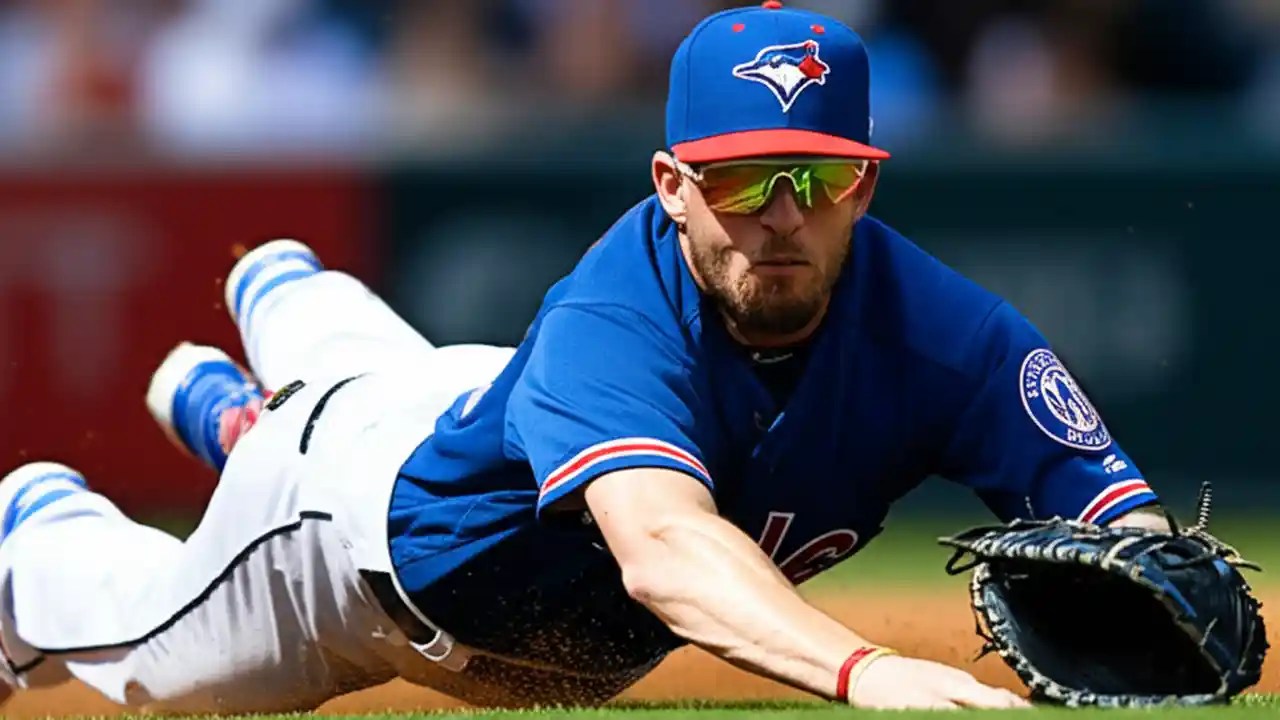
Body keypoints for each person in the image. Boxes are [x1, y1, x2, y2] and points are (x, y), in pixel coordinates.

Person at [0, 1, 1170, 713]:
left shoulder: (948, 334)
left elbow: (1115, 510)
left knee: (394, 386)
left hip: (478, 413)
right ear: (669, 184)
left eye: (812, 177)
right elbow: (662, 553)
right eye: (736, 176)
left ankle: (267, 344)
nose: (777, 213)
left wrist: (1158, 575)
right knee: (153, 664)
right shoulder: (614, 312)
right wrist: (865, 671)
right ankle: (43, 528)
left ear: (862, 181)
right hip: (350, 561)